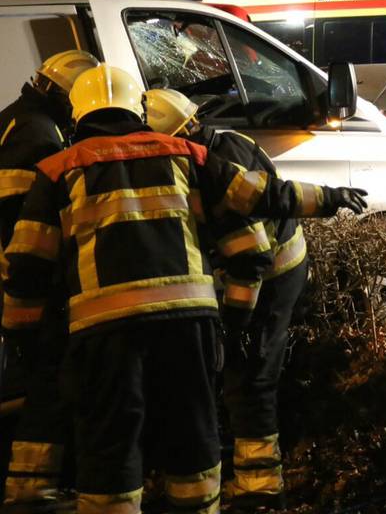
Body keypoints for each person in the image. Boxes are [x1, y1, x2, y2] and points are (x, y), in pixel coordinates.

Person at [2, 65, 367, 514]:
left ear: (77, 115)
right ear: (137, 108)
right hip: (187, 325)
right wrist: (328, 197)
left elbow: (27, 265)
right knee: (193, 434)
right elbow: (254, 192)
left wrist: (21, 336)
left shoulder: (59, 171)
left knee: (110, 443)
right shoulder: (183, 154)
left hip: (103, 333)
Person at [144, 89, 304, 511]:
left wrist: (236, 324)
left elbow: (251, 260)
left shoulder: (217, 171)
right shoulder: (224, 144)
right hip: (264, 268)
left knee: (250, 375)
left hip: (270, 276)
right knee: (240, 372)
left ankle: (260, 488)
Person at [0, 50, 99, 510]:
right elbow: (28, 227)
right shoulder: (43, 137)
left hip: (14, 275)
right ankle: (33, 491)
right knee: (48, 384)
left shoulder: (16, 119)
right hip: (23, 280)